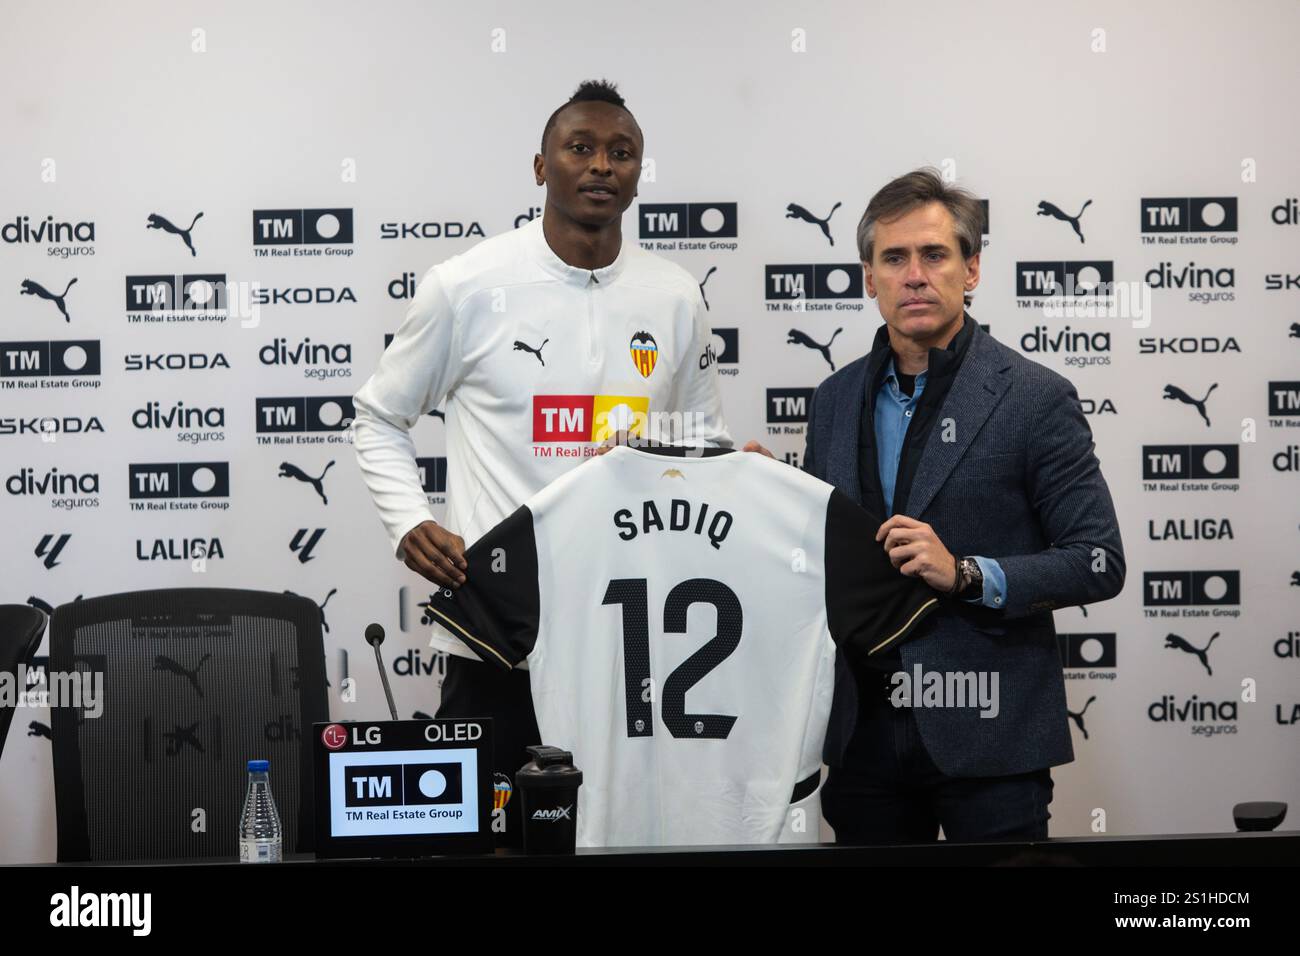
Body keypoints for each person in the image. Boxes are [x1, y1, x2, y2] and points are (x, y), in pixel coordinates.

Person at [352, 79, 732, 846]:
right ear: (540, 167)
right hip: (496, 630)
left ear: (637, 173)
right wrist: (409, 522)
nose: (601, 166)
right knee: (490, 842)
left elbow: (697, 439)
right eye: (581, 148)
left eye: (621, 153)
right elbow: (377, 416)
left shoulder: (673, 294)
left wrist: (728, 465)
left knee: (626, 833)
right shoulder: (466, 286)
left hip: (633, 631)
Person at [745, 168, 1125, 843]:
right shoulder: (832, 400)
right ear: (868, 278)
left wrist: (968, 573)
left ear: (971, 268)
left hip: (992, 731)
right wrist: (772, 500)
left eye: (934, 255)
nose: (913, 275)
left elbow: (1097, 561)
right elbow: (835, 556)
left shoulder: (1036, 398)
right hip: (860, 730)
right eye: (893, 258)